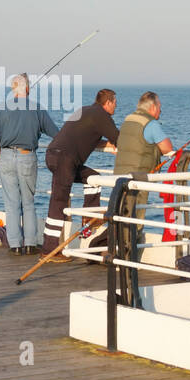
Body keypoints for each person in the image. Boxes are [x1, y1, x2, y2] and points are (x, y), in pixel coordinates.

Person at [39, 89, 120, 260]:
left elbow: (86, 136)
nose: (116, 107)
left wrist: (106, 144)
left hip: (53, 155)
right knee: (58, 202)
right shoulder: (102, 115)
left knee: (93, 178)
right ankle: (49, 250)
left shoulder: (84, 110)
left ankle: (90, 217)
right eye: (115, 103)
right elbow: (118, 137)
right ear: (108, 102)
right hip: (65, 160)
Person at [0, 73, 59, 254]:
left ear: (13, 89)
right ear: (27, 89)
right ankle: (29, 244)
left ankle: (15, 245)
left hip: (5, 156)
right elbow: (56, 134)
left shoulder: (2, 108)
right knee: (28, 202)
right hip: (27, 155)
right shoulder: (37, 109)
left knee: (11, 203)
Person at [111, 91, 175, 213]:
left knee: (120, 213)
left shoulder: (128, 120)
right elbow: (167, 148)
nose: (160, 111)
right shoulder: (150, 123)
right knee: (136, 216)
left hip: (119, 177)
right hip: (138, 178)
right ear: (153, 107)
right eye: (159, 107)